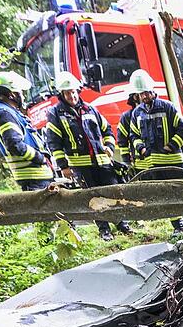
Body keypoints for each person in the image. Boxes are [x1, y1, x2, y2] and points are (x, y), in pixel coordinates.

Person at [43, 71, 131, 240]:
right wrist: (64, 166)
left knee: (112, 191)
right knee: (92, 198)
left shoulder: (90, 108)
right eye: (68, 92)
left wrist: (110, 146)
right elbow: (54, 142)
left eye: (74, 91)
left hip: (102, 161)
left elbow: (106, 130)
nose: (72, 95)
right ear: (61, 94)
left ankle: (121, 223)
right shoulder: (55, 114)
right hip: (81, 165)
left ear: (78, 91)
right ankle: (104, 229)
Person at [129, 70, 183, 237]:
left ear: (153, 91)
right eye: (141, 94)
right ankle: (178, 226)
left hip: (174, 161)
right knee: (165, 197)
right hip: (153, 163)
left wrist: (170, 146)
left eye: (147, 92)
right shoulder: (137, 113)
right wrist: (141, 149)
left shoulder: (168, 107)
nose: (145, 96)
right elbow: (134, 135)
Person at [0, 71, 54, 191]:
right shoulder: (4, 113)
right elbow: (15, 144)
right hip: (34, 178)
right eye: (21, 92)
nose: (23, 96)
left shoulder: (7, 111)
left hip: (36, 178)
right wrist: (40, 158)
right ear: (12, 94)